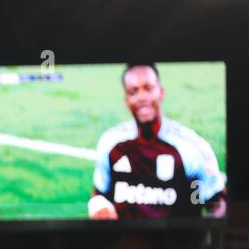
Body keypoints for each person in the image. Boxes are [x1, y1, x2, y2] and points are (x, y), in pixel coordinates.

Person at [89, 64, 226, 220]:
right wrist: (99, 205)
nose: (141, 97)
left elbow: (216, 201)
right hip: (126, 242)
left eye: (148, 88)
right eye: (133, 92)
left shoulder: (191, 148)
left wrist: (205, 230)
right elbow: (100, 194)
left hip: (176, 243)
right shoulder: (111, 144)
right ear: (126, 100)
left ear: (161, 93)